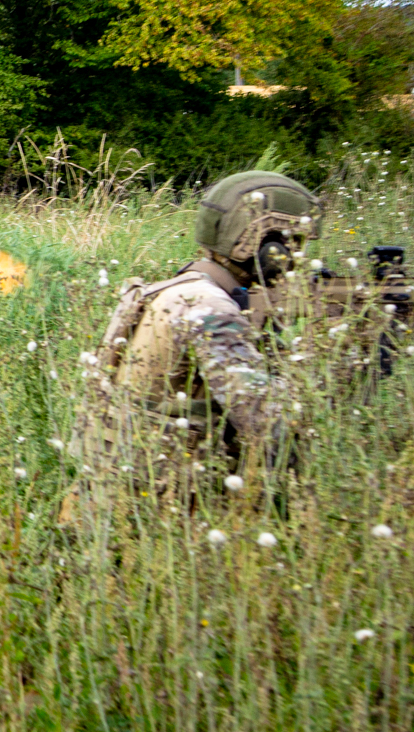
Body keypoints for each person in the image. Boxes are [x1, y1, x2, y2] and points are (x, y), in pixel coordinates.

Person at [62, 169, 316, 524]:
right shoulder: (210, 308)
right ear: (266, 245)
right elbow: (264, 419)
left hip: (109, 492)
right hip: (157, 509)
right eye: (295, 244)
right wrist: (333, 369)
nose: (296, 258)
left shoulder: (171, 290)